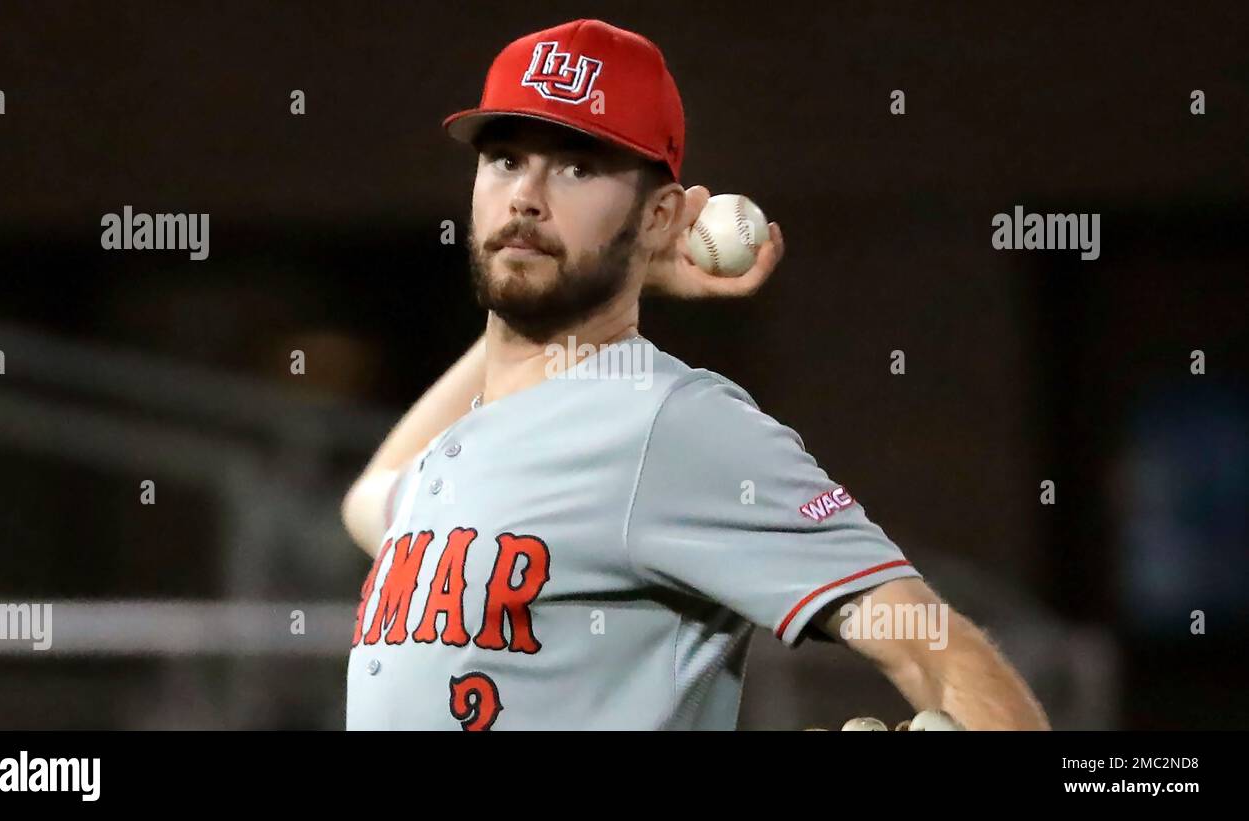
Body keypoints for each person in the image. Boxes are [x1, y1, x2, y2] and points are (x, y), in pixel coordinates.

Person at [341, 18, 1049, 730]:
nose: (526, 195)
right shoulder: (467, 449)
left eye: (577, 166)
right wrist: (633, 277)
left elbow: (936, 651)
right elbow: (369, 494)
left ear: (661, 216)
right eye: (504, 158)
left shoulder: (670, 423)